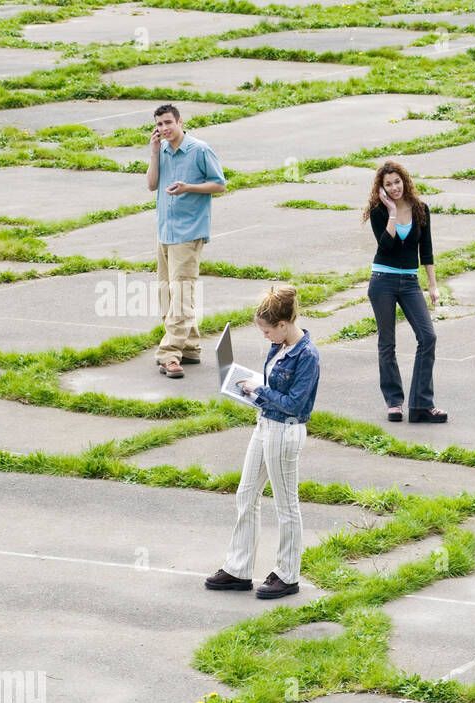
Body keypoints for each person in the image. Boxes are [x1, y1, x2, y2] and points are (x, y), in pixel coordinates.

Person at [205, 286, 321, 600]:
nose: (266, 336)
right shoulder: (280, 345)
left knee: (286, 506)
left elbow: (295, 404)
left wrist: (260, 389)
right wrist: (254, 390)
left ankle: (288, 575)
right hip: (265, 424)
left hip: (285, 432)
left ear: (284, 325)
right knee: (246, 494)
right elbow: (275, 390)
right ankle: (238, 569)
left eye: (268, 330)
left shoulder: (307, 355)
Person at [363, 161, 446, 424]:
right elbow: (386, 246)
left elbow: (427, 250)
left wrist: (432, 284)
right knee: (387, 343)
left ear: (404, 181)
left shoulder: (421, 209)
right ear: (381, 188)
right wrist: (390, 212)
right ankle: (394, 403)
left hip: (410, 282)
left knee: (428, 337)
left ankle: (421, 404)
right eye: (388, 184)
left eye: (397, 182)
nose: (394, 187)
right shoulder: (379, 211)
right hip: (383, 280)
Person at [147, 103, 225, 379]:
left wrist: (189, 187)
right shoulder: (163, 150)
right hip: (165, 232)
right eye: (159, 124)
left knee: (181, 293)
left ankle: (169, 353)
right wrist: (154, 155)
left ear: (180, 122)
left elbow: (220, 184)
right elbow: (152, 185)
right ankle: (190, 347)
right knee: (167, 294)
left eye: (168, 122)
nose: (164, 128)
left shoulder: (199, 150)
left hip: (189, 232)